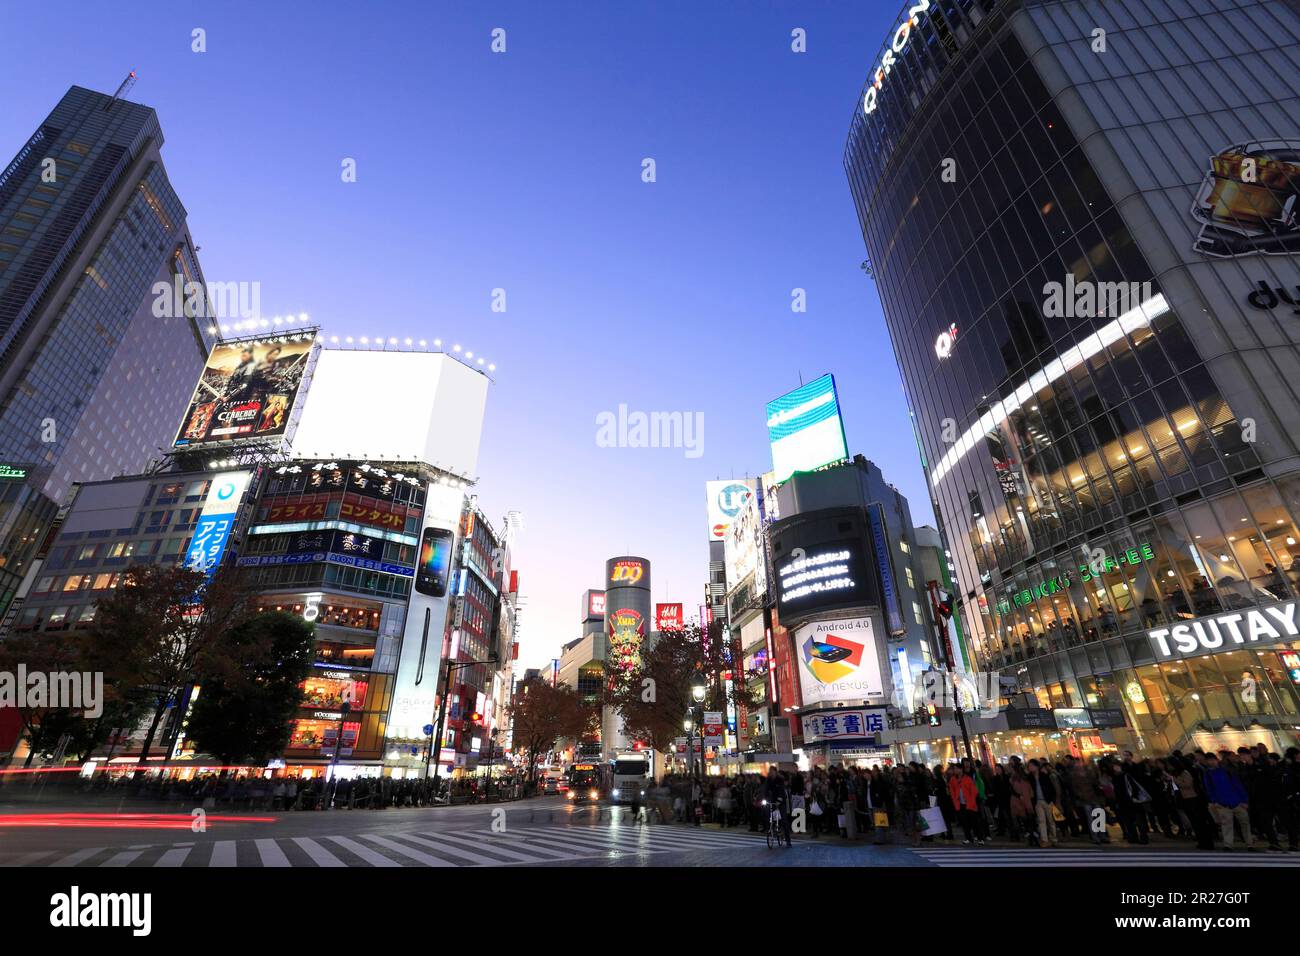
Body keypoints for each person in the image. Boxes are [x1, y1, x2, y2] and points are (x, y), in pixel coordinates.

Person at [1203, 752, 1254, 851]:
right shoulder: (1209, 774)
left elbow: (1238, 786)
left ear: (1216, 760)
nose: (1211, 762)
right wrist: (1215, 801)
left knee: (1243, 823)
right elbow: (1209, 789)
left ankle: (1248, 843)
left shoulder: (1226, 771)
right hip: (1224, 803)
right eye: (1209, 761)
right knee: (1228, 824)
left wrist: (1244, 800)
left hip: (1236, 801)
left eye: (1212, 760)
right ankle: (1229, 844)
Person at [948, 763, 982, 845]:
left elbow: (974, 791)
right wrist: (955, 800)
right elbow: (952, 791)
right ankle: (968, 838)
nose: (955, 770)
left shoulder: (967, 778)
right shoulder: (953, 779)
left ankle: (979, 838)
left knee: (974, 822)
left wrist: (972, 801)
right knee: (965, 822)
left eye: (956, 768)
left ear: (961, 769)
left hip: (969, 804)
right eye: (954, 769)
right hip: (961, 804)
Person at [762, 768, 792, 845]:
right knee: (768, 815)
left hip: (781, 801)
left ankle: (788, 840)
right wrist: (764, 799)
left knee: (784, 820)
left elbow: (781, 791)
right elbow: (765, 790)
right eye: (770, 772)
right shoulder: (768, 780)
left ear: (775, 772)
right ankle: (771, 829)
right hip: (772, 801)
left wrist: (779, 801)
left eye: (772, 772)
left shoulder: (780, 780)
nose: (771, 773)